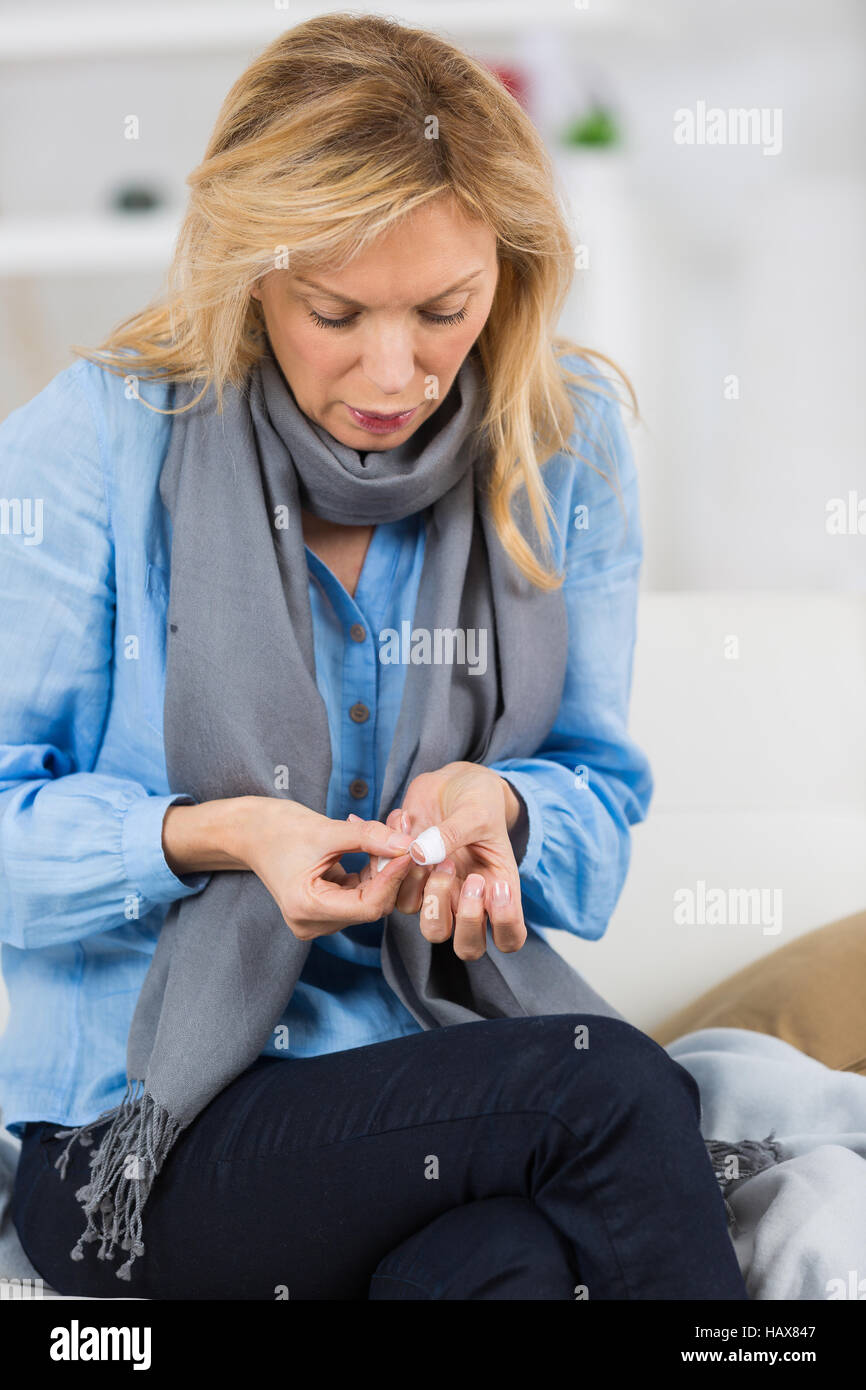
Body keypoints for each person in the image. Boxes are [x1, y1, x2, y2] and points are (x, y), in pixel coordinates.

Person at [0, 14, 748, 1300]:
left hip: (429, 1077)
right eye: (333, 311)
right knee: (608, 1085)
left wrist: (498, 806)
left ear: (505, 276)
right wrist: (230, 835)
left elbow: (594, 790)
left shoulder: (560, 448)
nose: (391, 371)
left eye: (443, 309)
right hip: (135, 1143)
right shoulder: (99, 439)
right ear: (247, 272)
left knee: (499, 1266)